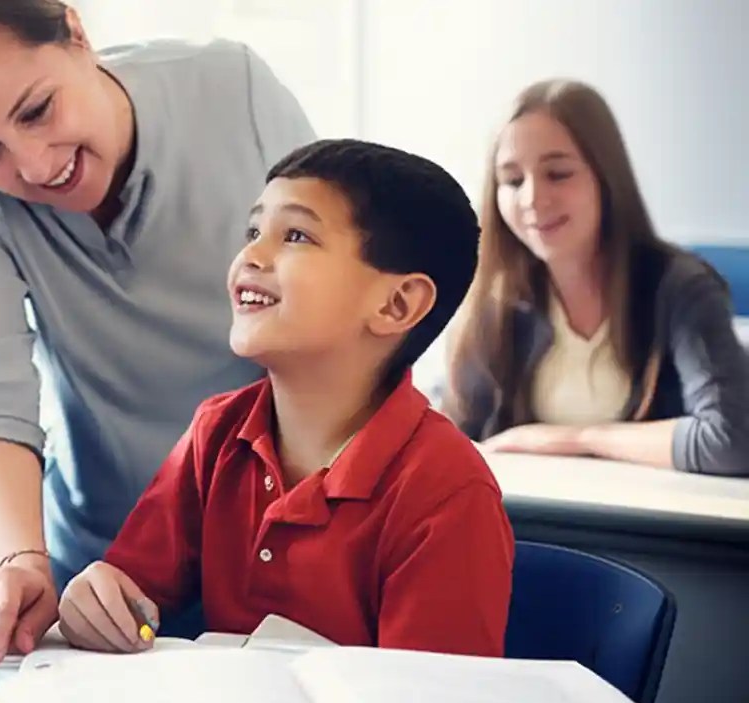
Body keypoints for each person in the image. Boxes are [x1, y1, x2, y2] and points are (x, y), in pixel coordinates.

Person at [0, 0, 316, 662]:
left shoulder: (233, 90)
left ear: (76, 32)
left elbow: (334, 307)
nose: (32, 165)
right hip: (104, 580)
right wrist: (20, 560)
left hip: (286, 545)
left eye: (36, 111)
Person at [58, 139, 514, 656]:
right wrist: (96, 605)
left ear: (396, 304)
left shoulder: (445, 490)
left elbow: (432, 702)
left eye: (295, 235)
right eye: (253, 231)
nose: (250, 255)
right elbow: (128, 599)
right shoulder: (217, 433)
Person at [444, 79, 749, 477]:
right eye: (513, 180)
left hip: (648, 528)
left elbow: (733, 441)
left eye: (557, 173)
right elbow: (449, 442)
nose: (532, 198)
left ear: (605, 178)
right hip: (531, 524)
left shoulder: (681, 288)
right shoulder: (492, 303)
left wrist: (580, 439)